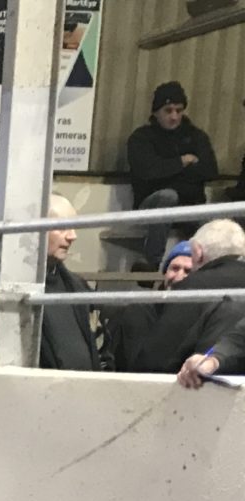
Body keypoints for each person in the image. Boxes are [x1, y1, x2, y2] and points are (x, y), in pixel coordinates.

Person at [0, 194, 102, 371]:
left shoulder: (79, 287)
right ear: (36, 229)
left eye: (74, 227)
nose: (73, 236)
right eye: (62, 227)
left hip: (85, 393)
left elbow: (102, 347)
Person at [128, 219, 245, 375]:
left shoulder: (195, 286)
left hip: (202, 388)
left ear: (197, 252)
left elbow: (156, 359)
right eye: (174, 268)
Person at [126, 81, 219, 267]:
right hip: (152, 205)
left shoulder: (196, 136)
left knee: (211, 223)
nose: (174, 116)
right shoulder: (141, 138)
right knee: (167, 196)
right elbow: (146, 171)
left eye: (179, 110)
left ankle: (209, 270)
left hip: (189, 204)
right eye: (168, 110)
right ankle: (152, 264)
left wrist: (167, 170)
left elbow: (210, 171)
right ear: (156, 112)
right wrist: (182, 162)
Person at [103, 240, 194, 372]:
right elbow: (111, 361)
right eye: (174, 268)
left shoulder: (202, 318)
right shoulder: (136, 311)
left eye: (188, 271)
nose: (179, 276)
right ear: (165, 273)